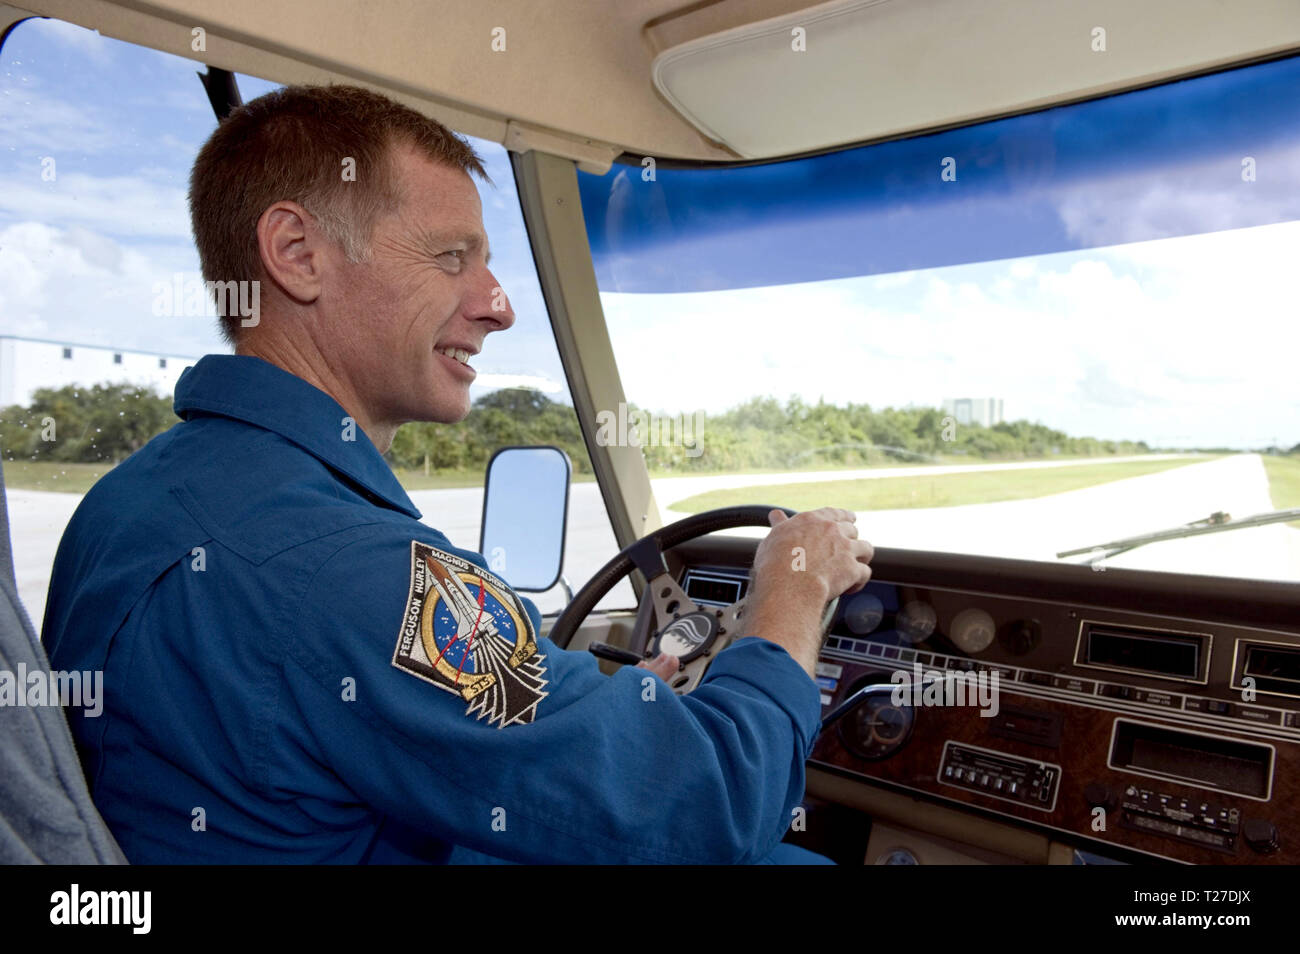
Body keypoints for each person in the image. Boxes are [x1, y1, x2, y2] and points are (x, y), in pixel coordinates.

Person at [43, 84, 873, 864]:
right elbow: (717, 799)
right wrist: (792, 591)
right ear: (297, 254)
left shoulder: (135, 494)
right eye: (451, 257)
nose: (499, 305)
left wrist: (567, 709)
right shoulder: (353, 568)